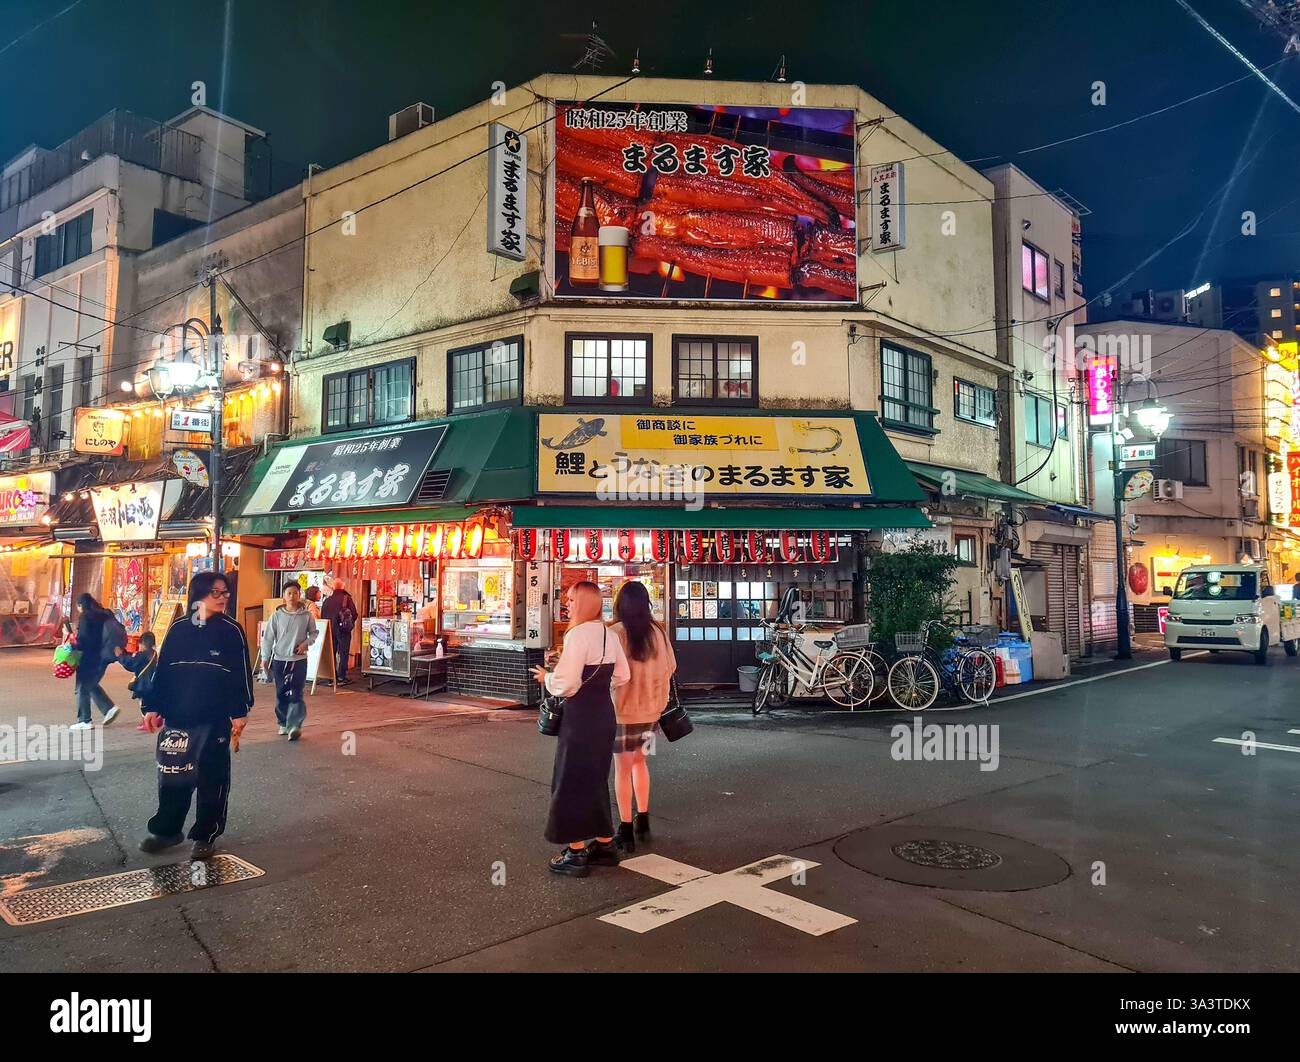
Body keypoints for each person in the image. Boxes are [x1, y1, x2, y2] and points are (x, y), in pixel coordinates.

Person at [139, 571, 254, 861]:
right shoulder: (178, 629)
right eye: (217, 592)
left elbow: (241, 674)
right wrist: (152, 706)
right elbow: (162, 672)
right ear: (199, 594)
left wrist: (240, 711)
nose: (223, 598)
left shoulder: (232, 630)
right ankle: (167, 831)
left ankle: (205, 835)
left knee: (211, 777)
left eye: (225, 592)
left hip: (215, 717)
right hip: (178, 716)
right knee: (173, 775)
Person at [529, 581, 630, 877]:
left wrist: (547, 678)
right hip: (604, 715)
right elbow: (623, 675)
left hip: (580, 717)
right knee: (595, 779)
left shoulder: (577, 634)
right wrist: (600, 687)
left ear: (583, 603)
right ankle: (605, 844)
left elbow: (568, 683)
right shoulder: (609, 633)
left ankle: (575, 852)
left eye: (572, 599)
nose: (568, 604)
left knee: (570, 779)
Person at [609, 580, 676, 852]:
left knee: (622, 770)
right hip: (651, 714)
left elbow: (608, 674)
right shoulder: (658, 632)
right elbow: (671, 666)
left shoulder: (615, 633)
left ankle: (625, 830)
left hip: (623, 714)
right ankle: (644, 820)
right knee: (640, 763)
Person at [259, 582, 318, 742]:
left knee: (297, 693)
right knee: (282, 692)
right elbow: (268, 638)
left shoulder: (306, 616)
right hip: (280, 660)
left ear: (300, 595)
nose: (292, 596)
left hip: (299, 661)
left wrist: (305, 644)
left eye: (295, 593)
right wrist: (265, 658)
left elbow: (314, 633)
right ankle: (283, 722)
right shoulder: (277, 616)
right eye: (289, 593)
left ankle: (295, 726)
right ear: (284, 596)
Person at [70, 593, 122, 730]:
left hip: (88, 657)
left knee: (82, 687)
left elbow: (83, 640)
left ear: (80, 605)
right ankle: (109, 708)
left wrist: (72, 645)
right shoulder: (103, 615)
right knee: (90, 684)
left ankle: (85, 720)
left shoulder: (86, 617)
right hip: (101, 655)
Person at [115, 631, 158, 732]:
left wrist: (120, 656)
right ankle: (151, 721)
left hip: (144, 684)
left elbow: (131, 664)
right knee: (150, 703)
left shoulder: (141, 655)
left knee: (143, 704)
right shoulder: (154, 653)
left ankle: (147, 723)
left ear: (143, 644)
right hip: (153, 683)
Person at [321, 577, 358, 684]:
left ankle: (331, 676)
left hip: (330, 630)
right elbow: (354, 614)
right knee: (343, 653)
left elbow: (323, 615)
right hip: (343, 630)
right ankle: (342, 676)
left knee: (331, 652)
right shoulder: (346, 599)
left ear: (333, 587)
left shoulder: (327, 600)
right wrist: (348, 624)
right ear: (343, 586)